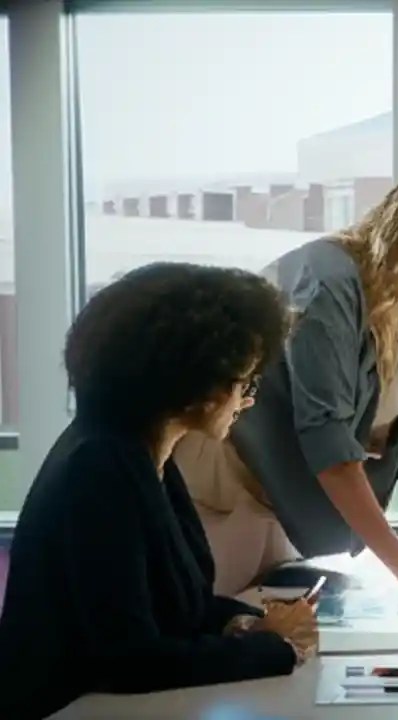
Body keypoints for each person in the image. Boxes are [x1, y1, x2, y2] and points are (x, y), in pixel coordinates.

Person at [0, 264, 312, 720]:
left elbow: (179, 607)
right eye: (244, 382)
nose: (247, 400)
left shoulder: (145, 453)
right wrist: (273, 648)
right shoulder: (99, 468)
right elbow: (131, 661)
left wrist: (244, 622)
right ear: (194, 384)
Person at [173, 172, 398, 596]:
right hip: (226, 486)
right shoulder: (326, 284)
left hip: (279, 499)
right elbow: (327, 437)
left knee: (274, 628)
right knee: (214, 627)